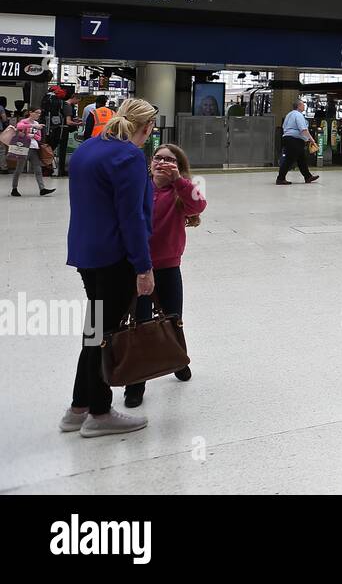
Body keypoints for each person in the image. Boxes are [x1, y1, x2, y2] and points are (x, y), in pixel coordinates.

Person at [62, 98, 158, 438]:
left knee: (95, 328)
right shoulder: (128, 156)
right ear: (146, 127)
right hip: (115, 257)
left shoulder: (89, 147)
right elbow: (131, 217)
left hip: (86, 251)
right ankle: (100, 413)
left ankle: (78, 407)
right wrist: (143, 267)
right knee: (106, 335)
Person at [124, 143, 207, 408]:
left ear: (179, 166)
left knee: (173, 319)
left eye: (169, 160)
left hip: (168, 265)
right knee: (140, 323)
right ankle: (136, 384)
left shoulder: (181, 191)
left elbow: (199, 205)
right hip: (138, 267)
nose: (162, 163)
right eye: (158, 158)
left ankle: (178, 359)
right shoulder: (140, 186)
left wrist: (179, 181)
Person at [10, 108, 55, 198]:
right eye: (37, 113)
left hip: (34, 148)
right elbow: (19, 126)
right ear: (31, 113)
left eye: (39, 113)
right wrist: (32, 128)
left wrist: (33, 135)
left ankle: (42, 189)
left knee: (38, 170)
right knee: (19, 170)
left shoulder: (37, 124)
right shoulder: (24, 121)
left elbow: (39, 137)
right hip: (24, 148)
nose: (38, 115)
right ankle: (14, 189)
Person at [276, 98, 320, 185]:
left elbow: (284, 127)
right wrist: (312, 140)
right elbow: (303, 130)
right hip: (294, 140)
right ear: (299, 106)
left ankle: (308, 176)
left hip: (288, 138)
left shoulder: (289, 114)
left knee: (301, 159)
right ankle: (280, 178)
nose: (304, 106)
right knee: (289, 159)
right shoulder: (298, 115)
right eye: (303, 105)